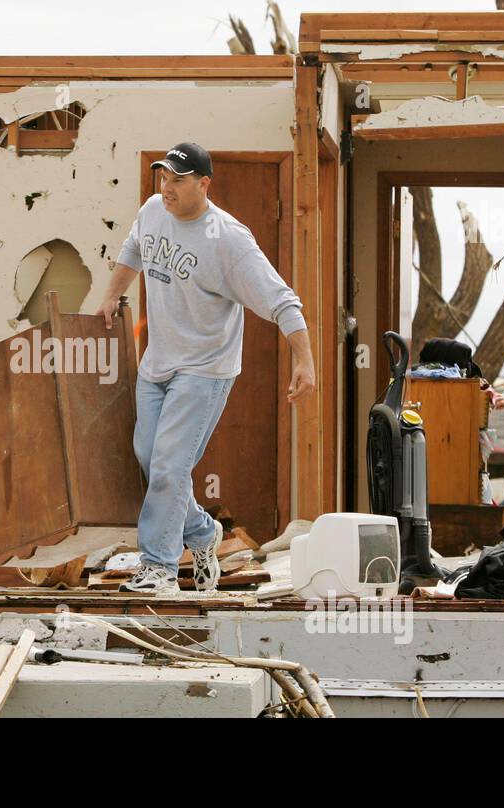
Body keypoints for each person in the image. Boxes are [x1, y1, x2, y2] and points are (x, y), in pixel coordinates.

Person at [94, 143, 315, 596]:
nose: (166, 188)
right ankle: (202, 532)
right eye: (163, 178)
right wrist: (112, 294)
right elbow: (132, 250)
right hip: (157, 364)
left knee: (171, 467)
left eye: (177, 180)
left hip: (204, 370)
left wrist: (304, 359)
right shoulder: (154, 210)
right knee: (150, 459)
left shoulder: (229, 240)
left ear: (203, 183)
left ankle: (157, 566)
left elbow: (281, 300)